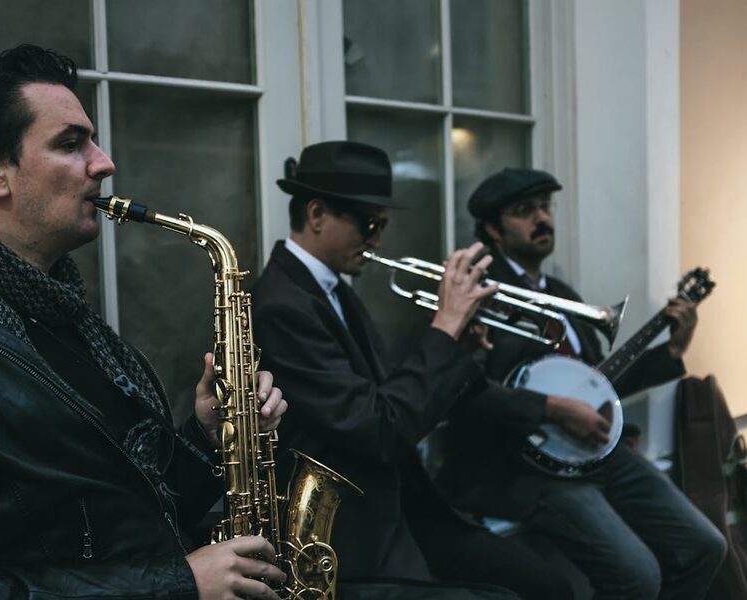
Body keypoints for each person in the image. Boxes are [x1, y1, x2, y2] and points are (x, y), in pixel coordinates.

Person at [0, 44, 289, 599]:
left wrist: (206, 438)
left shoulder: (75, 327)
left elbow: (128, 521)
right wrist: (176, 585)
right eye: (70, 143)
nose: (104, 163)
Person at [250, 142, 572, 599]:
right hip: (350, 534)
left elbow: (393, 402)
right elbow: (378, 430)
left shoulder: (330, 289)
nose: (378, 240)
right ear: (317, 214)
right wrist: (444, 328)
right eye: (369, 224)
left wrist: (457, 350)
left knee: (548, 585)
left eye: (382, 225)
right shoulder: (283, 305)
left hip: (408, 507)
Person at [431, 167, 727, 599]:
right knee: (639, 575)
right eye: (525, 210)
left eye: (545, 207)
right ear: (493, 229)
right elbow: (462, 392)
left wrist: (672, 350)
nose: (542, 218)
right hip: (515, 468)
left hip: (588, 454)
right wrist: (553, 410)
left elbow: (597, 383)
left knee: (704, 546)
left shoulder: (562, 294)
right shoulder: (477, 295)